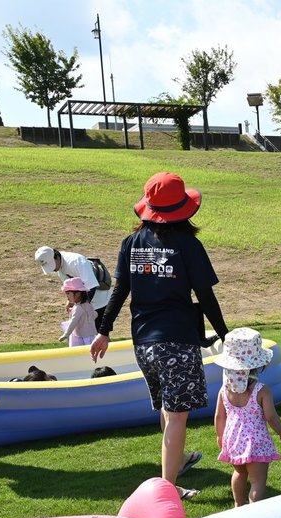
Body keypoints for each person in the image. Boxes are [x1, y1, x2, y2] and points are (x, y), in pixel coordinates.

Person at [94, 172, 229, 500]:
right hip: (178, 340)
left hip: (144, 342)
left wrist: (104, 330)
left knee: (169, 411)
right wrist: (225, 332)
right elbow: (205, 296)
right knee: (178, 415)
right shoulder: (188, 245)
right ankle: (169, 488)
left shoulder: (131, 244)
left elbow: (119, 290)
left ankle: (177, 461)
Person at [213, 328, 281, 507]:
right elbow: (271, 417)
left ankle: (238, 506)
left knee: (239, 474)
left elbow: (219, 416)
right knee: (257, 480)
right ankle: (255, 512)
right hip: (256, 441)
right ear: (257, 366)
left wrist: (220, 436)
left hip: (233, 439)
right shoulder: (261, 390)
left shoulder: (224, 390)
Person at [35, 245, 105, 311]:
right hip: (85, 303)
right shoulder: (59, 266)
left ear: (56, 257)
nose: (53, 270)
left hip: (100, 300)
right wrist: (71, 302)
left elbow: (91, 286)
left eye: (52, 265)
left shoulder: (76, 262)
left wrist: (80, 308)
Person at [59, 276, 97, 347]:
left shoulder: (78, 308)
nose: (67, 297)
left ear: (78, 294)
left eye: (68, 293)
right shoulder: (88, 304)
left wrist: (66, 334)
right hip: (91, 334)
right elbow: (95, 314)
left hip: (81, 337)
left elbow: (73, 322)